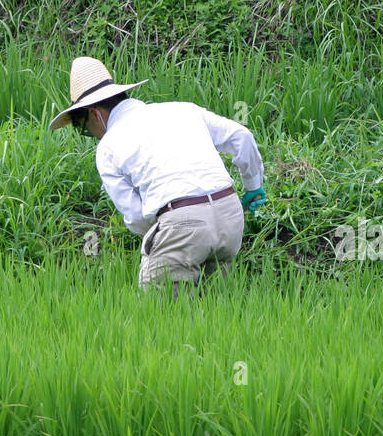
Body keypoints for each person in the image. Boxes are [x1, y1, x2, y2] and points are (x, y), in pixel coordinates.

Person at [50, 56, 266, 297]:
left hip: (182, 220)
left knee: (160, 317)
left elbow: (135, 216)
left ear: (95, 113)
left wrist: (167, 234)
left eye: (81, 125)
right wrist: (253, 186)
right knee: (213, 311)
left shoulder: (109, 146)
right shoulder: (183, 109)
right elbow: (242, 136)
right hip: (231, 216)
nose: (89, 133)